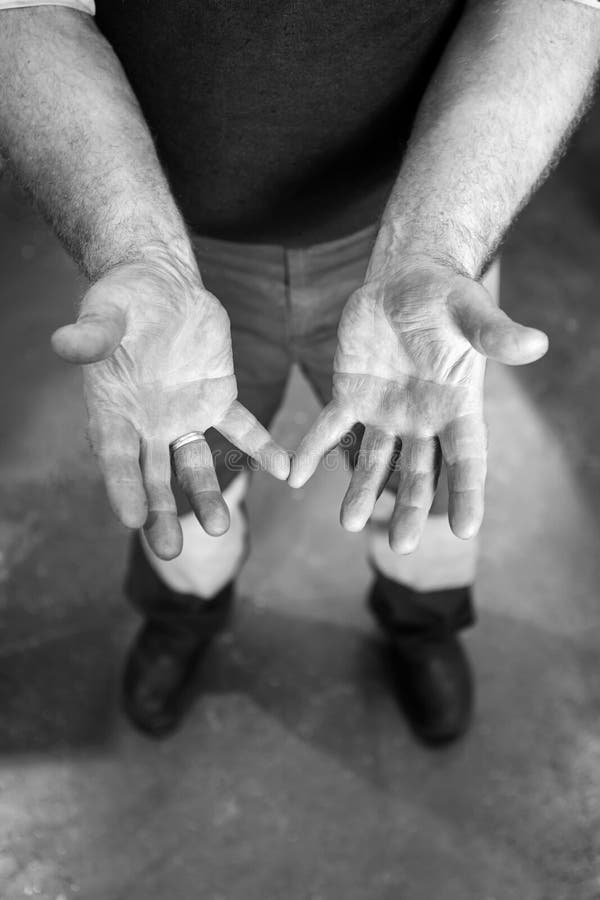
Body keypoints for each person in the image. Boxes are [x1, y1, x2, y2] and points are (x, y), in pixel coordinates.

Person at [0, 0, 597, 746]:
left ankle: (421, 622)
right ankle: (184, 612)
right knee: (186, 466)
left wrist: (438, 244)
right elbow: (28, 9)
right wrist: (137, 251)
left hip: (419, 239)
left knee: (422, 469)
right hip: (173, 244)